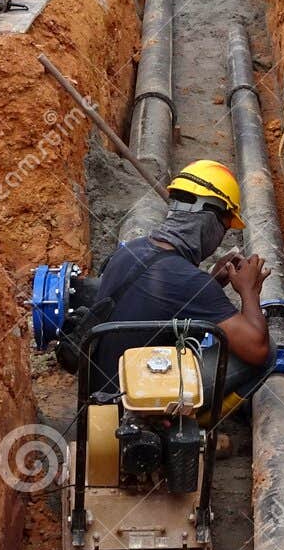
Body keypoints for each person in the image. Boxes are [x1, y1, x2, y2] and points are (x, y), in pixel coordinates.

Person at [89, 159, 271, 401]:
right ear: (210, 221)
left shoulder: (130, 249)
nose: (220, 238)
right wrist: (250, 290)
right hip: (133, 399)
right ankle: (182, 420)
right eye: (224, 229)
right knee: (269, 352)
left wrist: (212, 282)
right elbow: (257, 349)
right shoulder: (188, 281)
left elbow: (165, 299)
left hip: (99, 388)